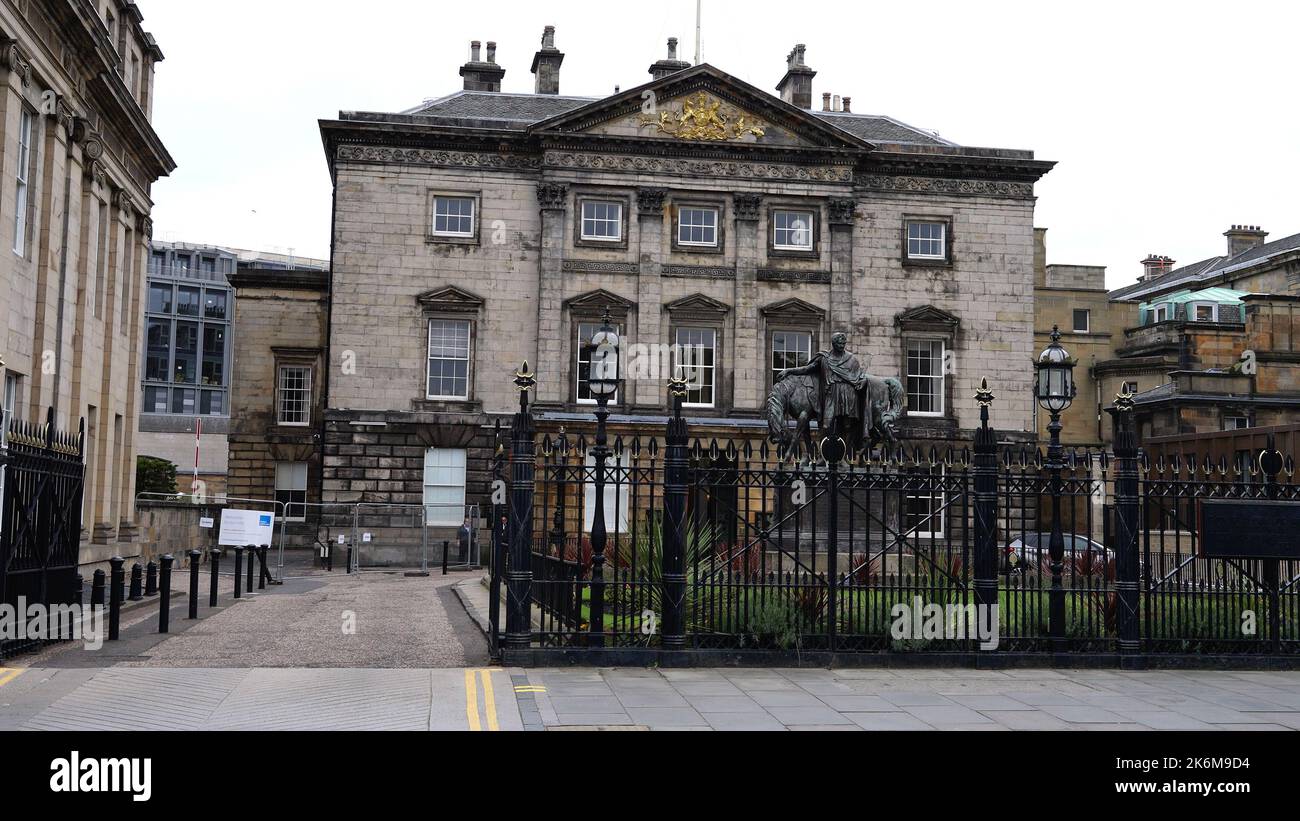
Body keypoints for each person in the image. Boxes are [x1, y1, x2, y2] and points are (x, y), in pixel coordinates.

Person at [777, 332, 867, 443]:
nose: (842, 345)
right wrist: (789, 371)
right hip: (831, 394)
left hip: (847, 394)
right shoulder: (824, 358)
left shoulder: (851, 359)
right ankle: (822, 456)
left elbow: (859, 376)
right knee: (826, 425)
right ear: (833, 344)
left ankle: (843, 456)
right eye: (839, 343)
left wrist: (862, 382)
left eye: (844, 343)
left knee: (846, 426)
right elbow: (807, 369)